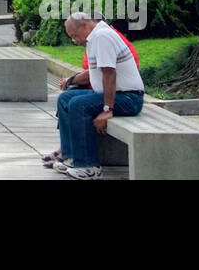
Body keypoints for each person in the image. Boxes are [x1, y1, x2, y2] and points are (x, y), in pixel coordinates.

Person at [45, 12, 145, 179]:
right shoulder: (96, 36)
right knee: (65, 99)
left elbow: (109, 74)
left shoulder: (102, 37)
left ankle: (89, 166)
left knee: (79, 105)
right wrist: (72, 80)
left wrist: (107, 110)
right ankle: (70, 156)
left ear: (84, 25)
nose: (75, 41)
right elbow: (95, 72)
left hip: (128, 98)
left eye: (75, 35)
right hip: (116, 95)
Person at [59, 12, 140, 90]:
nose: (75, 41)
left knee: (71, 98)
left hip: (118, 88)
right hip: (108, 86)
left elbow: (103, 72)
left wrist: (71, 80)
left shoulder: (102, 37)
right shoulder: (97, 38)